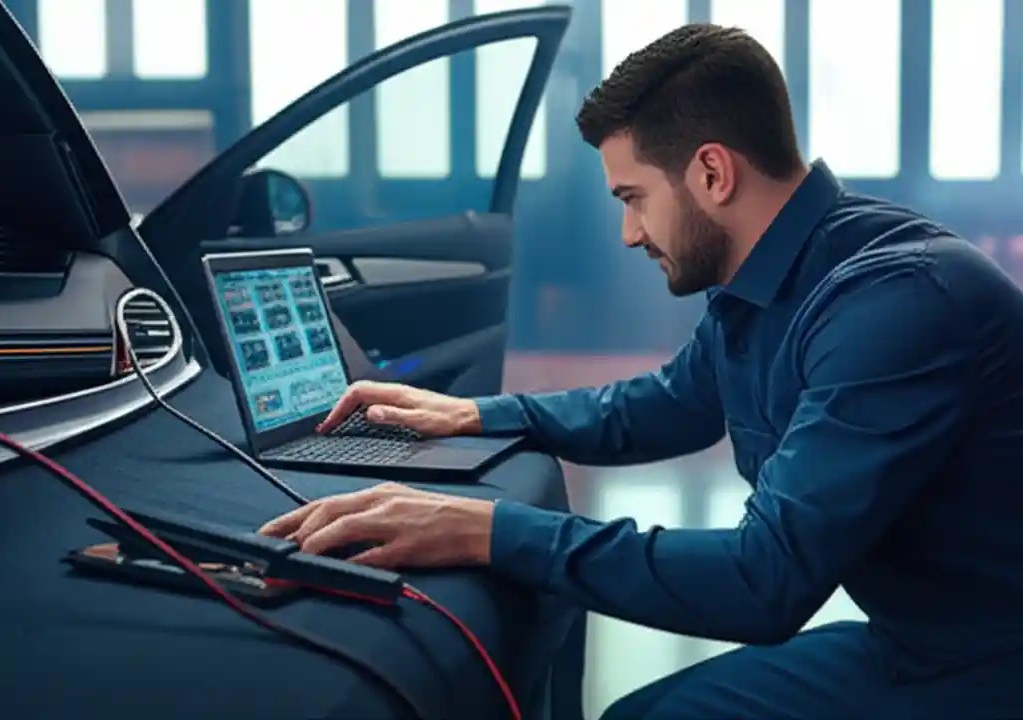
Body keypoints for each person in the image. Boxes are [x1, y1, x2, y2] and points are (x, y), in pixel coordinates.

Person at [259, 22, 1023, 719]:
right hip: (918, 645)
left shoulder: (898, 303)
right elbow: (671, 403)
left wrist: (486, 530)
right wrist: (484, 414)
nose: (629, 233)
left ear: (712, 173)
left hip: (989, 672)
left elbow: (764, 582)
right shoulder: (773, 273)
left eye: (633, 197)